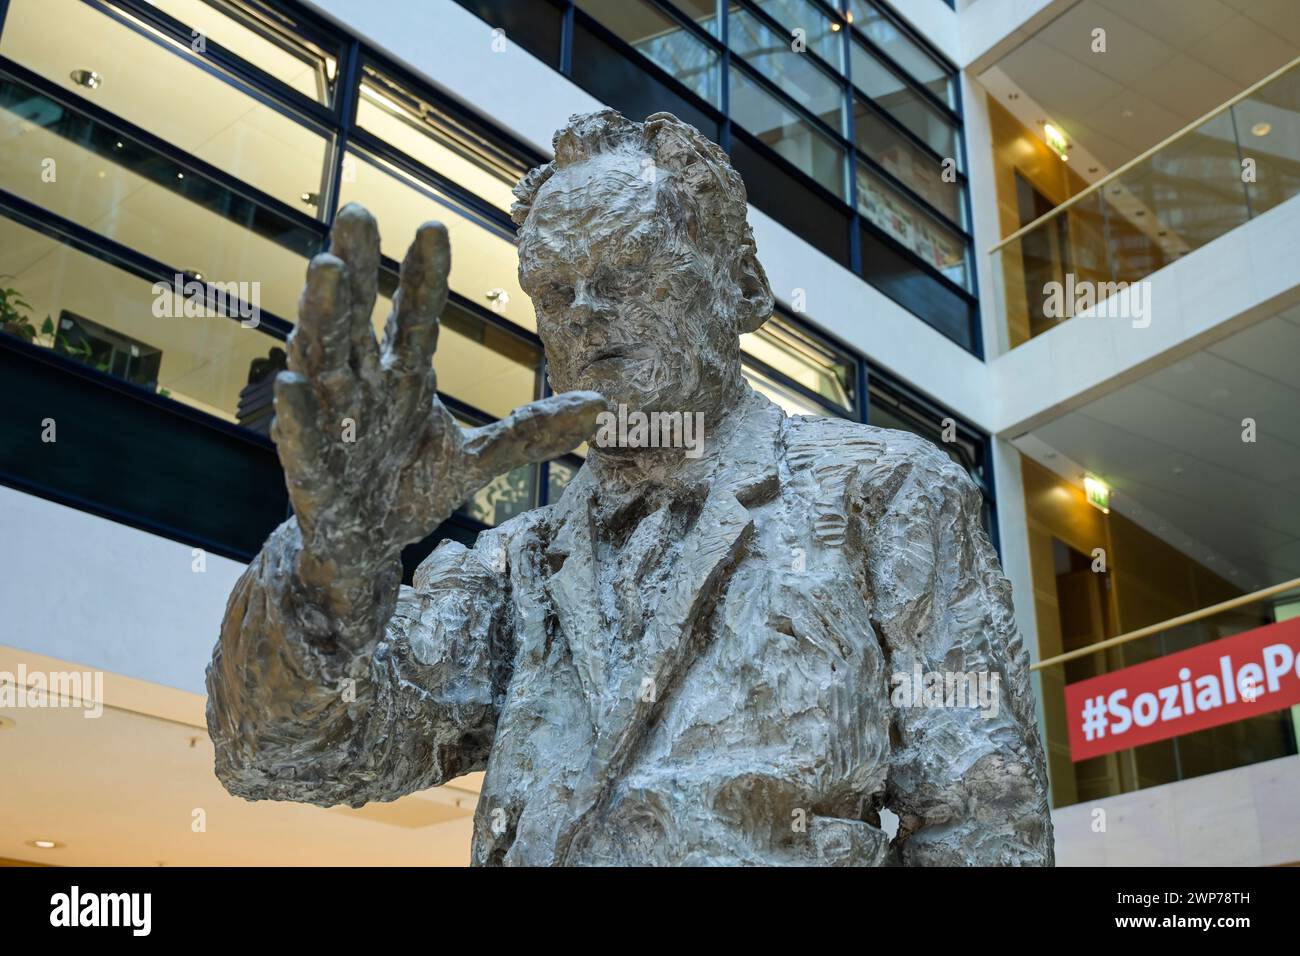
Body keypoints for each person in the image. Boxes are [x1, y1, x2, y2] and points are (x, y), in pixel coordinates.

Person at [206, 110, 1053, 866]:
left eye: (629, 268)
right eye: (551, 288)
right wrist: (331, 570)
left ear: (743, 288)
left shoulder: (886, 493)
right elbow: (281, 753)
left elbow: (985, 822)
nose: (581, 309)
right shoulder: (518, 564)